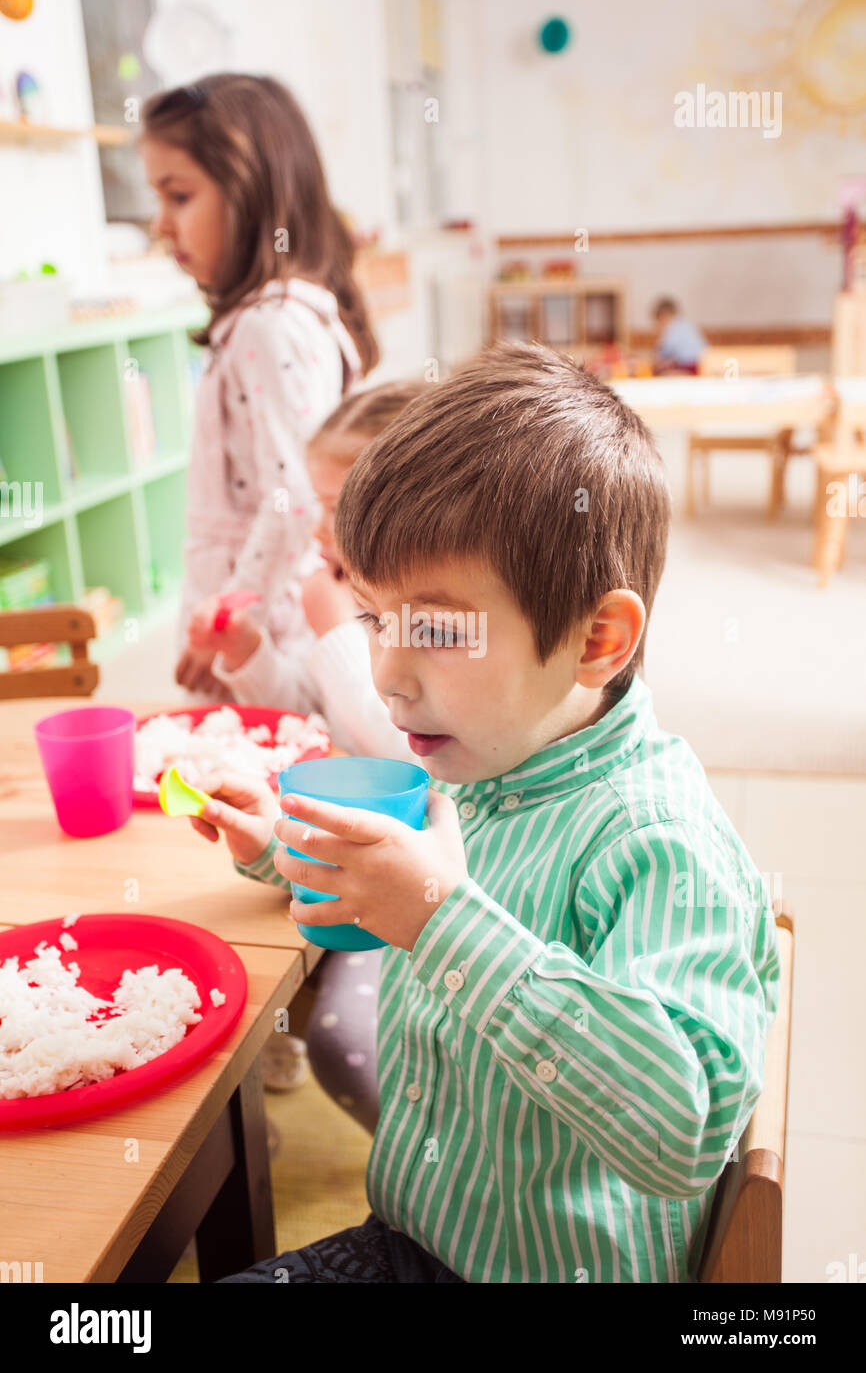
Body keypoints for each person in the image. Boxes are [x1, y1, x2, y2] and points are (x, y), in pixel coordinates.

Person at [198, 342, 781, 1283]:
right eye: (376, 618)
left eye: (433, 627)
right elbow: (395, 854)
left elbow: (683, 1131)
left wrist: (440, 918)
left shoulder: (658, 844)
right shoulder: (493, 753)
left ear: (597, 639)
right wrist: (277, 848)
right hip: (423, 1235)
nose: (387, 672)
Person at [188, 382, 429, 1124]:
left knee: (336, 1032)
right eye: (318, 502)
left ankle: (444, 1167)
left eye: (338, 506)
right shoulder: (343, 587)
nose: (319, 528)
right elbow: (311, 705)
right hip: (342, 846)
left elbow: (401, 743)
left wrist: (333, 631)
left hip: (413, 874)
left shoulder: (420, 608)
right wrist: (248, 652)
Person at [139, 73, 377, 700]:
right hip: (264, 622)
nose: (160, 223)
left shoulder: (268, 327)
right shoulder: (285, 318)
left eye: (179, 196)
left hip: (264, 634)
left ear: (248, 196)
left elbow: (295, 497)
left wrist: (228, 618)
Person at [651, 296, 708, 375]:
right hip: (704, 363)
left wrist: (655, 359)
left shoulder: (672, 326)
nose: (659, 326)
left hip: (692, 366)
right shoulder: (685, 323)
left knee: (662, 372)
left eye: (659, 322)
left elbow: (662, 351)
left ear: (664, 316)